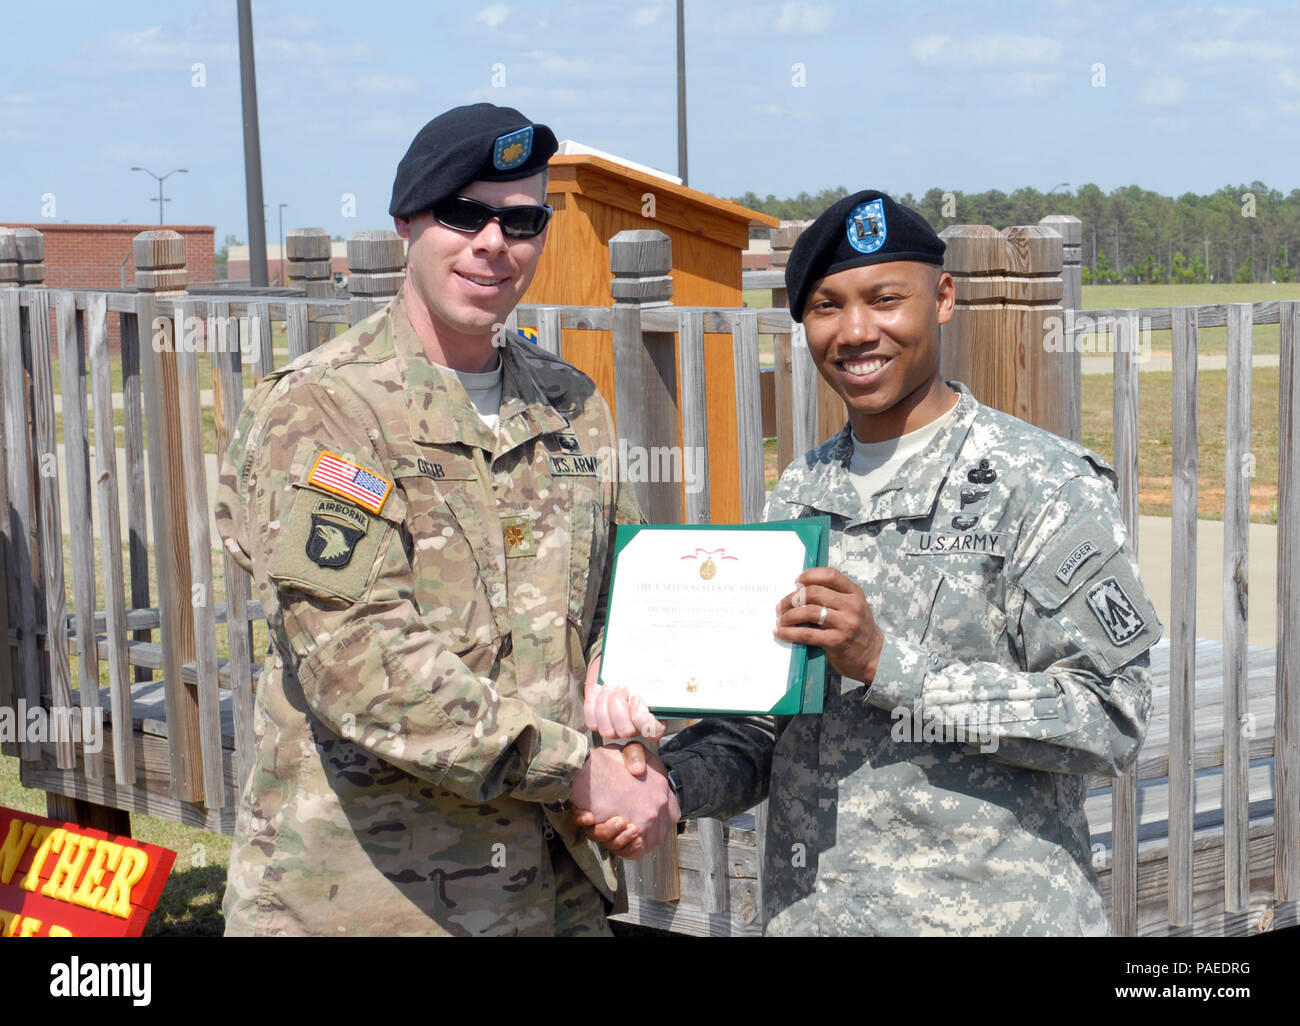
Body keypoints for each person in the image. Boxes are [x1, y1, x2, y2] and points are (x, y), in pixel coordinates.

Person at [577, 189, 1158, 936]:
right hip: (814, 917)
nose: (856, 331)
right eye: (827, 306)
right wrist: (666, 783)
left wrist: (887, 663)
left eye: (885, 300)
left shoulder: (1038, 484)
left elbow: (1111, 716)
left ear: (941, 298)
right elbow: (764, 727)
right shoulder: (801, 495)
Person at [215, 103, 676, 937]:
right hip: (369, 899)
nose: (494, 242)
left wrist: (623, 700)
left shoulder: (570, 405)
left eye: (522, 219)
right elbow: (359, 658)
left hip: (550, 892)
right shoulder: (326, 409)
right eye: (464, 213)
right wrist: (579, 772)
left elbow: (619, 597)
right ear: (407, 222)